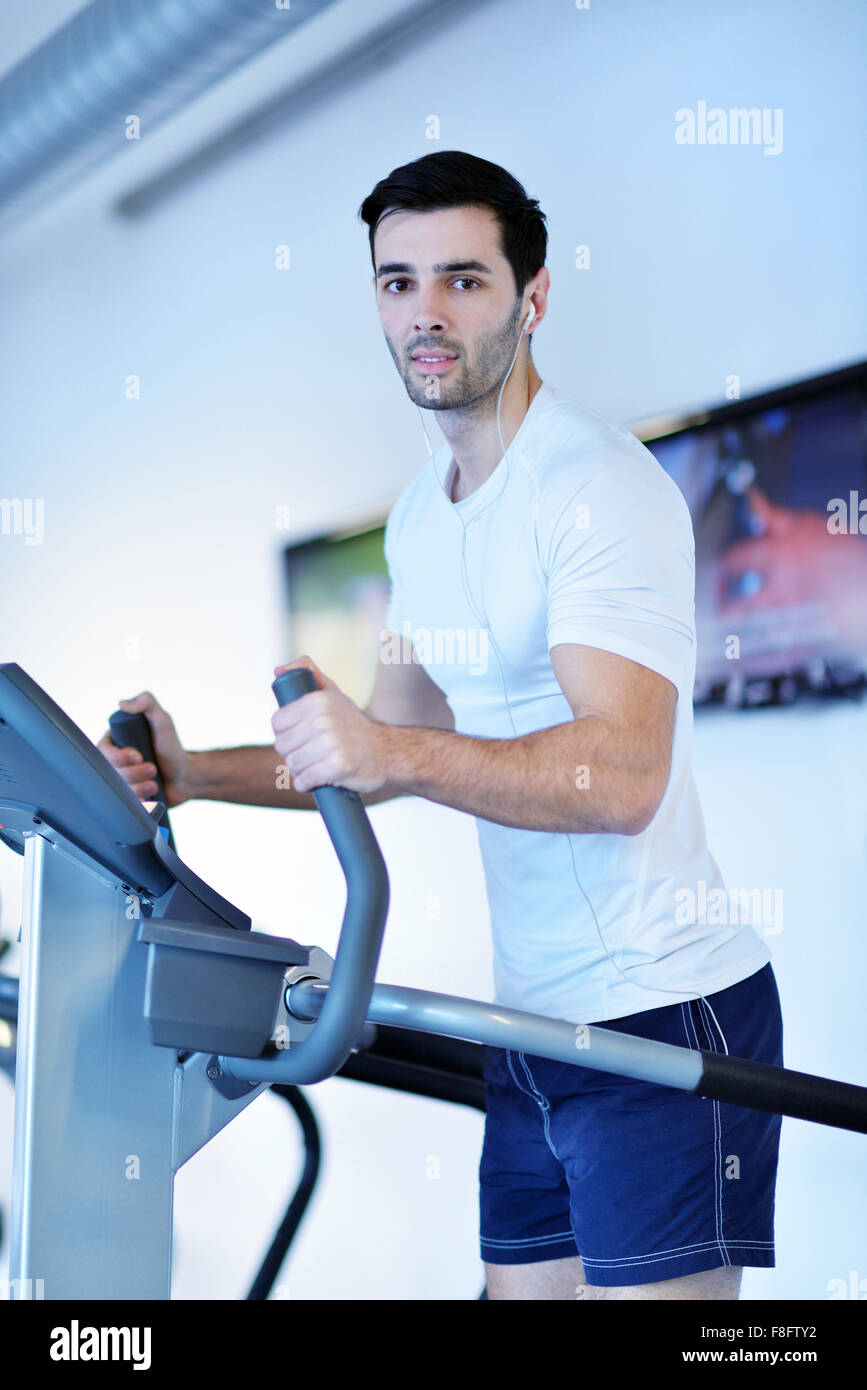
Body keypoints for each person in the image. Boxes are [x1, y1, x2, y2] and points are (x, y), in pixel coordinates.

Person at [100, 150, 783, 1302]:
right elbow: (376, 747)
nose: (426, 312)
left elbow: (622, 775)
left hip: (660, 1018)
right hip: (534, 1021)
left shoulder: (594, 486)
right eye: (397, 280)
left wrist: (390, 751)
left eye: (463, 279)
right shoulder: (426, 516)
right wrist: (192, 773)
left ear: (533, 295)